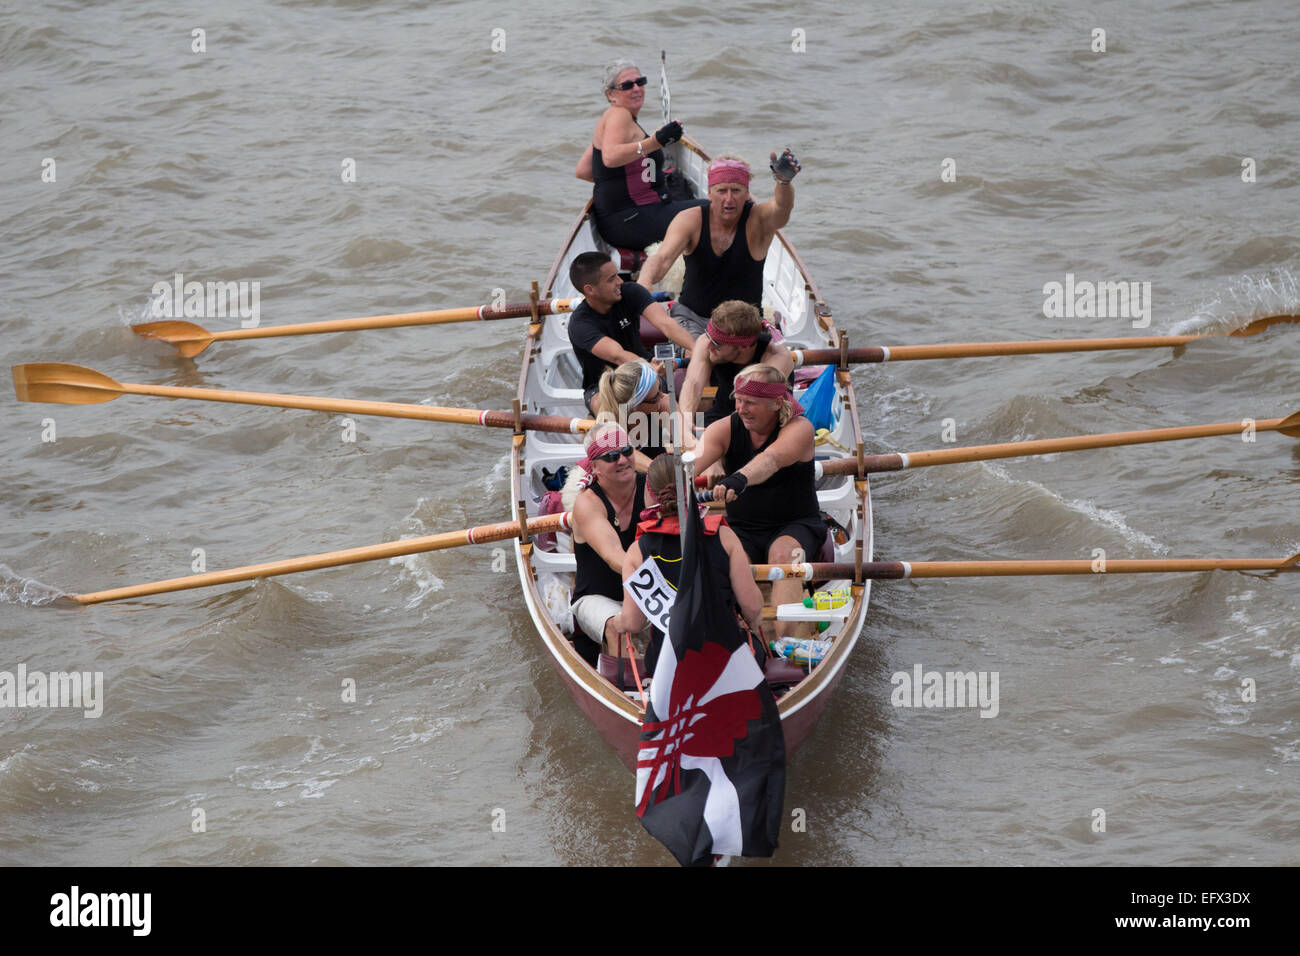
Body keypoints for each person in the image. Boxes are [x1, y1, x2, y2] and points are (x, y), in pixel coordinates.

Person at [689, 364, 825, 638]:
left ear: (777, 403)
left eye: (750, 402)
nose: (741, 408)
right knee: (722, 559)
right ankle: (729, 638)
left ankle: (787, 646)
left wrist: (738, 478)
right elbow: (687, 467)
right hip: (743, 529)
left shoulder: (800, 428)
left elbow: (771, 459)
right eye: (738, 400)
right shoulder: (723, 429)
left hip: (796, 525)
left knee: (783, 555)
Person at [610, 455, 766, 674]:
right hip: (728, 660)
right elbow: (752, 608)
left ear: (649, 493)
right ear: (690, 487)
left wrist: (618, 623)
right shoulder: (725, 535)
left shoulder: (637, 551)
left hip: (671, 667)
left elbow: (633, 623)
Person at [637, 149, 802, 337]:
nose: (729, 199)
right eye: (722, 191)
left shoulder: (759, 220)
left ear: (747, 193)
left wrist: (784, 182)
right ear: (709, 193)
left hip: (744, 324)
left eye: (736, 190)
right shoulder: (690, 220)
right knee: (700, 357)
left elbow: (782, 208)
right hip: (692, 319)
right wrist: (644, 283)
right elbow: (662, 258)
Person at [574, 60, 706, 250]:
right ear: (611, 94)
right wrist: (656, 142)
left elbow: (583, 170)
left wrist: (622, 182)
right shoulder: (619, 115)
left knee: (696, 204)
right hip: (631, 219)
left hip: (620, 221)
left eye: (640, 82)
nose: (636, 88)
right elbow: (610, 157)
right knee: (713, 210)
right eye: (627, 85)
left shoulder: (611, 117)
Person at [567, 251, 695, 412]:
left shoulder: (630, 292)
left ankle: (676, 430)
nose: (620, 281)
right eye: (611, 279)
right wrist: (650, 370)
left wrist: (697, 349)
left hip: (646, 369)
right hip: (604, 386)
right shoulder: (580, 324)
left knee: (680, 393)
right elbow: (617, 355)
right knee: (605, 407)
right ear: (590, 289)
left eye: (618, 275)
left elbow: (666, 324)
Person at [565, 423, 647, 669]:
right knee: (618, 627)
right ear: (595, 467)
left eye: (626, 451)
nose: (622, 460)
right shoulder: (587, 503)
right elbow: (614, 557)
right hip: (597, 597)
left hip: (643, 588)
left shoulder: (650, 487)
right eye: (611, 456)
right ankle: (628, 694)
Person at [679, 299, 793, 433]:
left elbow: (753, 405)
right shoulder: (707, 341)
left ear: (744, 346)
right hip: (721, 414)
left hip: (763, 424)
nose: (708, 346)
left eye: (716, 343)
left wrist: (715, 437)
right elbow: (693, 383)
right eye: (709, 336)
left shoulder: (777, 356)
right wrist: (685, 422)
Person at [592, 360, 672, 465]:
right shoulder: (608, 425)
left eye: (660, 386)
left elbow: (685, 437)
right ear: (634, 407)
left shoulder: (663, 402)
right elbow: (642, 464)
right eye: (655, 397)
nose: (662, 396)